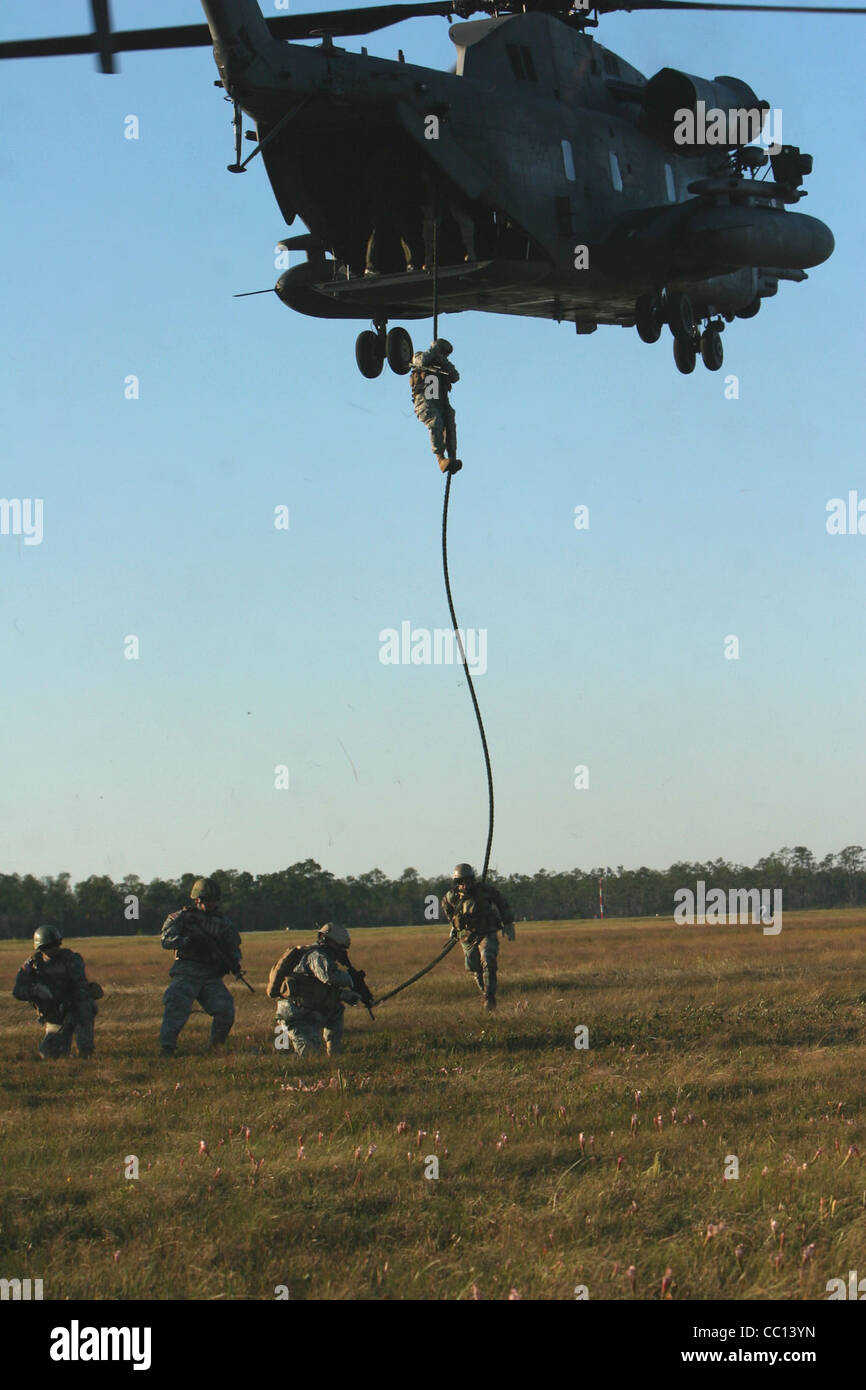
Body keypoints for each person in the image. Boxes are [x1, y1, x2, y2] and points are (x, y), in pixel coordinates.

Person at [159, 877, 242, 1056]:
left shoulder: (223, 923)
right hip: (186, 973)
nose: (210, 904)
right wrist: (187, 942)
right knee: (176, 1008)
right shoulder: (182, 917)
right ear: (197, 900)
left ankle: (215, 1048)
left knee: (225, 1009)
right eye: (206, 900)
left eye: (213, 900)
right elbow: (166, 940)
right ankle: (167, 1048)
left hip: (210, 976)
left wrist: (232, 962)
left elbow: (233, 947)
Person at [267, 922, 364, 1057]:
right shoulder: (316, 955)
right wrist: (350, 979)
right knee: (310, 1056)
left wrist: (344, 994)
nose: (341, 952)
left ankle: (334, 1053)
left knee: (336, 1009)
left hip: (306, 1010)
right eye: (339, 947)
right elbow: (329, 977)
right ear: (329, 941)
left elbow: (319, 991)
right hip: (295, 1015)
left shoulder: (320, 956)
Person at [12, 924, 101, 1058]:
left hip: (74, 1009)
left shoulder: (71, 960)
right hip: (54, 1015)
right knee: (49, 1053)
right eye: (47, 947)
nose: (52, 950)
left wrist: (67, 1001)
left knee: (84, 1006)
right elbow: (18, 991)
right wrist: (35, 990)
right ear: (40, 948)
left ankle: (85, 1050)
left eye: (54, 946)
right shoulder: (33, 965)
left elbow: (80, 986)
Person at [440, 863, 515, 1011]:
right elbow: (447, 909)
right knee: (474, 966)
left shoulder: (485, 891)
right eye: (461, 882)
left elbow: (501, 902)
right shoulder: (451, 897)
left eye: (468, 881)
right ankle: (485, 994)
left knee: (487, 958)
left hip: (487, 932)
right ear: (457, 883)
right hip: (466, 937)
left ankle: (489, 997)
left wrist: (508, 922)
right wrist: (454, 927)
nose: (465, 885)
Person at [410, 339, 462, 475]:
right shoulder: (420, 356)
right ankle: (440, 459)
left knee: (450, 422)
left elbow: (455, 376)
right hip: (424, 399)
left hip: (440, 401)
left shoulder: (442, 364)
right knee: (435, 421)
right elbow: (420, 362)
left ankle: (452, 458)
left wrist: (442, 360)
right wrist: (433, 351)